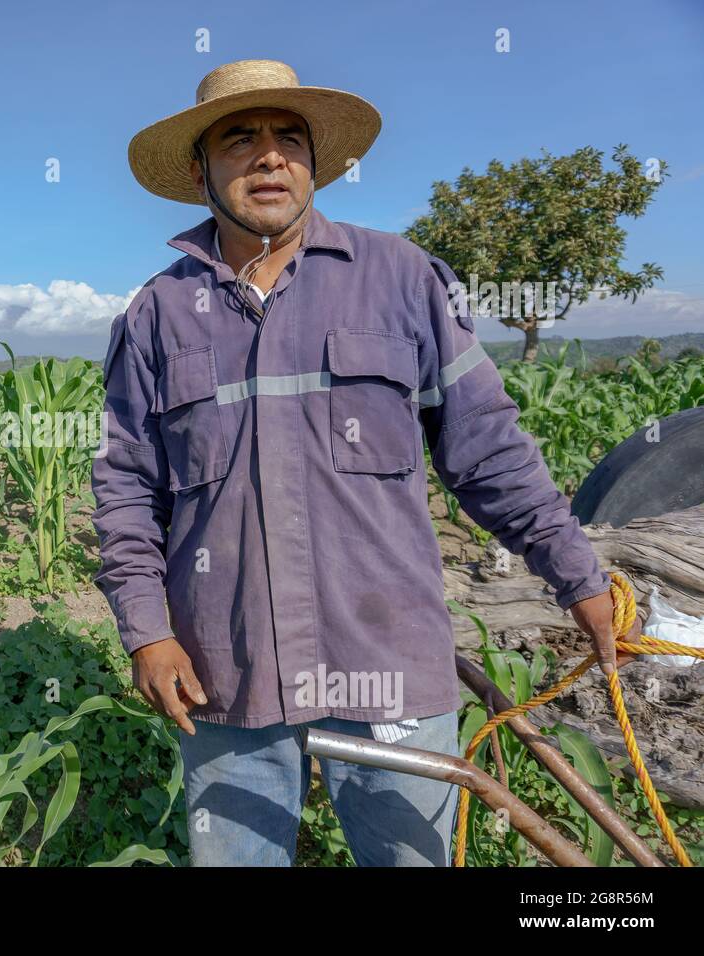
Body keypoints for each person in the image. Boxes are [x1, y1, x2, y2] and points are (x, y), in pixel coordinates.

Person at [91, 59, 641, 866]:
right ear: (201, 169)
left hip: (385, 664)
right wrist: (146, 633)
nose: (270, 157)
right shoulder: (156, 315)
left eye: (290, 138)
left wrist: (580, 577)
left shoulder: (402, 278)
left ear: (315, 163)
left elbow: (489, 450)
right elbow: (126, 488)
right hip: (224, 669)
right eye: (240, 138)